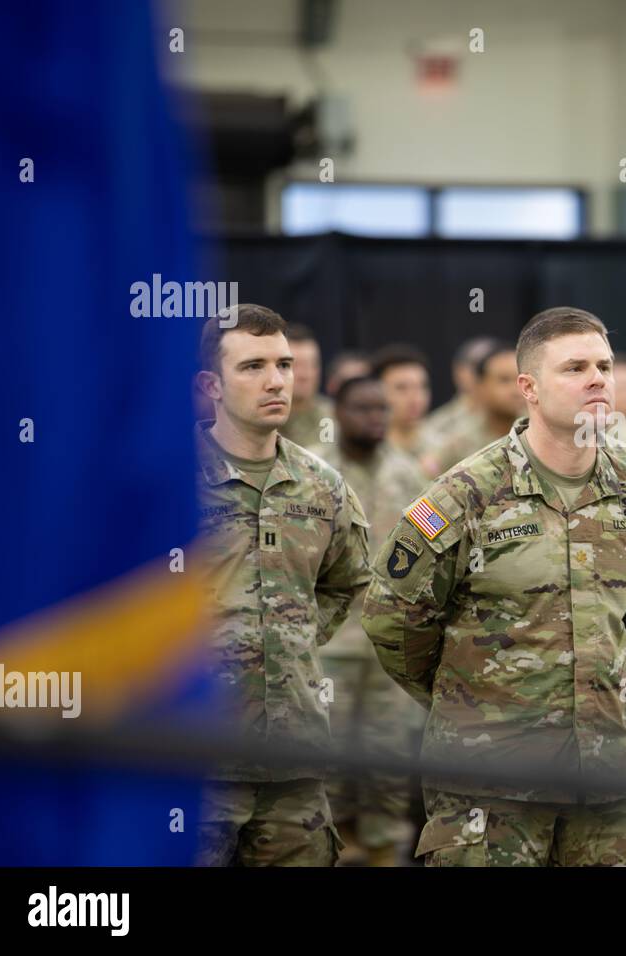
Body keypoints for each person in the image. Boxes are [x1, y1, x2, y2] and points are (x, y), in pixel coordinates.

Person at [361, 306, 626, 866]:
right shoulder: (466, 493)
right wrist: (466, 698)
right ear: (528, 388)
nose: (597, 380)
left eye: (605, 366)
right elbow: (394, 616)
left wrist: (592, 684)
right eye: (575, 367)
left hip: (608, 772)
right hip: (492, 780)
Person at [191, 304, 370, 867]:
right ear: (210, 384)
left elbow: (345, 582)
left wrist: (289, 635)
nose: (276, 381)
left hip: (294, 760)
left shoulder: (323, 487)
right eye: (252, 367)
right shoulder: (166, 485)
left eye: (285, 364)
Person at [307, 376, 431, 866]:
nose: (374, 417)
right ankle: (333, 847)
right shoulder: (314, 472)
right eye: (362, 408)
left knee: (389, 752)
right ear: (337, 411)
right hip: (331, 643)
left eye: (381, 409)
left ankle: (383, 847)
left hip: (388, 646)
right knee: (328, 753)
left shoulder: (407, 473)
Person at [418, 342, 523, 475]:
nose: (515, 390)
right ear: (480, 386)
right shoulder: (459, 445)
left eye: (520, 379)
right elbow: (427, 491)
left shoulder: (540, 433)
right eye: (504, 380)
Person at [371, 344, 433, 461]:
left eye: (422, 386)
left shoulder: (443, 448)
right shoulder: (370, 452)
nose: (415, 398)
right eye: (401, 388)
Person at [278, 324, 332, 447]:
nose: (305, 375)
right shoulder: (264, 417)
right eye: (296, 366)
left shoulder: (332, 417)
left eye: (312, 365)